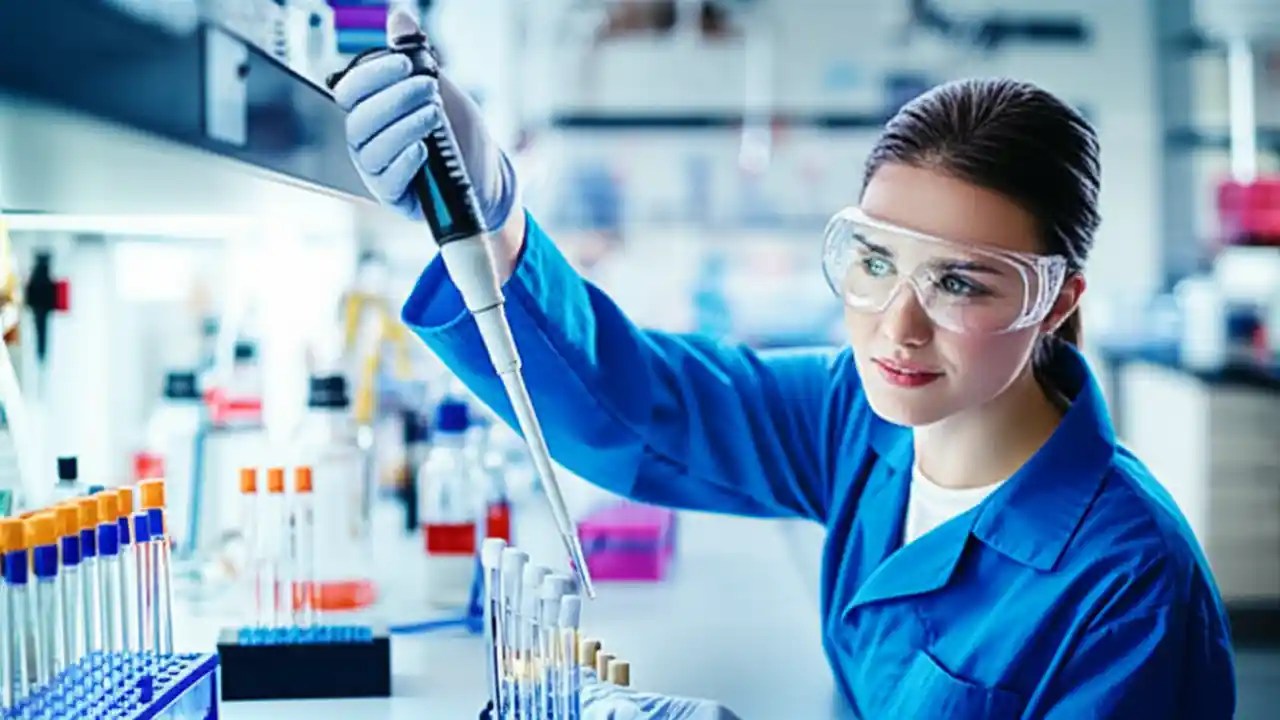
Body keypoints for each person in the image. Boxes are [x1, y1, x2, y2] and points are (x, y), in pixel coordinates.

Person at [334, 14, 1236, 719]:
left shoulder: (1129, 586)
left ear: (1059, 303)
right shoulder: (860, 416)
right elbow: (642, 408)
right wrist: (493, 225)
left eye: (961, 283)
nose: (899, 326)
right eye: (876, 262)